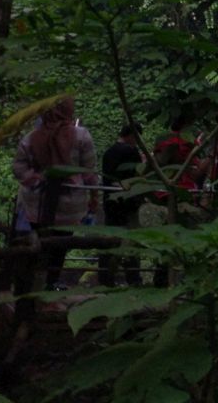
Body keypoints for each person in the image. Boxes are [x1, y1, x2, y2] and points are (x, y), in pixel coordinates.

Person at [12, 96, 99, 290]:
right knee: (60, 246)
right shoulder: (81, 136)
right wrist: (94, 196)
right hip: (70, 204)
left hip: (36, 203)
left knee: (37, 244)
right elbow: (89, 171)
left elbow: (18, 167)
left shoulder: (32, 137)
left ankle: (32, 286)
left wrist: (36, 179)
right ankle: (51, 284)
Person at [100, 123, 144, 286]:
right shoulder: (131, 152)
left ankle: (105, 278)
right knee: (130, 241)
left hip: (110, 202)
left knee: (110, 240)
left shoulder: (109, 152)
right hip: (128, 203)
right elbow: (139, 173)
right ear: (133, 135)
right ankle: (133, 279)